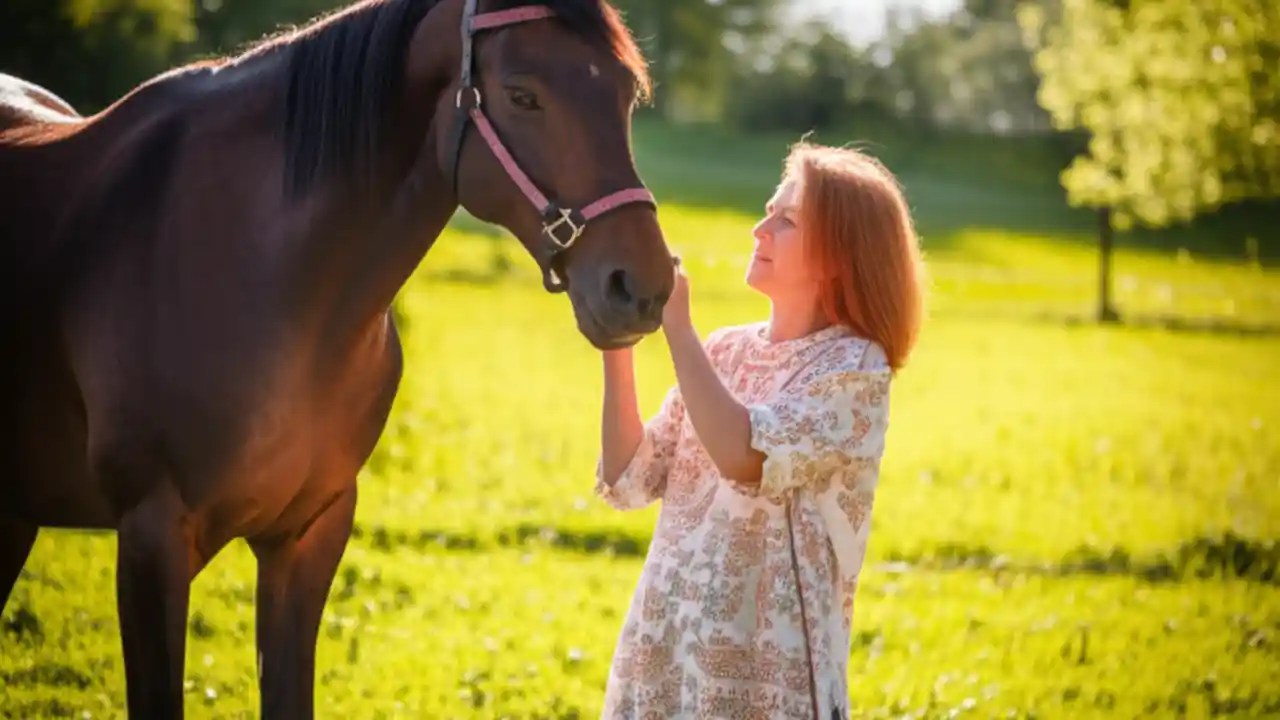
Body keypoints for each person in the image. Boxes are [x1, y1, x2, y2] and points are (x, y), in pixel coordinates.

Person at [595, 141, 925, 718]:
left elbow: (744, 455)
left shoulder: (854, 370)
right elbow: (630, 476)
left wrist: (677, 328)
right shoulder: (723, 352)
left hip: (766, 680)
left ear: (842, 255)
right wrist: (615, 339)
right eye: (769, 210)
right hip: (667, 652)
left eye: (788, 219)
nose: (759, 228)